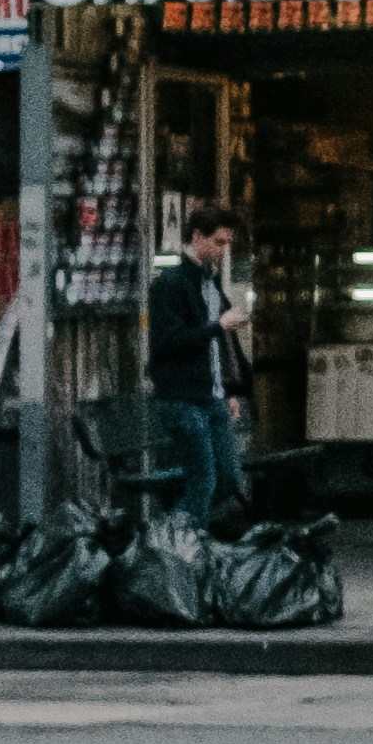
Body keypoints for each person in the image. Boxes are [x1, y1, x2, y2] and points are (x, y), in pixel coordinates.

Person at [145, 208, 251, 522]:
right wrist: (219, 326)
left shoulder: (210, 281)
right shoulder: (171, 284)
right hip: (183, 398)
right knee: (202, 479)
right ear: (196, 237)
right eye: (218, 242)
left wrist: (229, 389)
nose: (223, 251)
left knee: (228, 477)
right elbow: (170, 341)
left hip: (211, 395)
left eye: (228, 243)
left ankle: (186, 536)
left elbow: (219, 349)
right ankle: (179, 542)